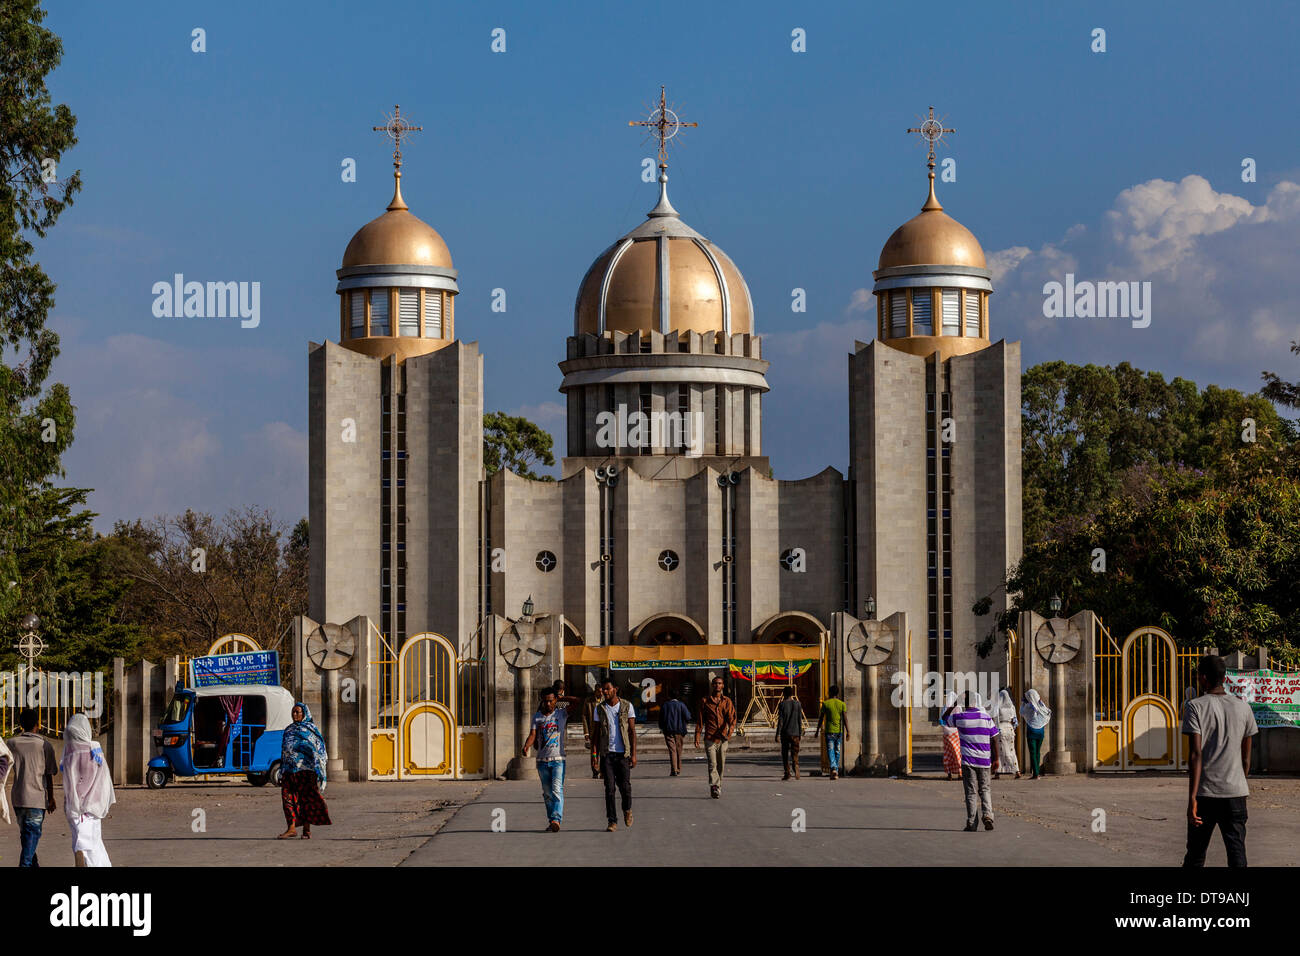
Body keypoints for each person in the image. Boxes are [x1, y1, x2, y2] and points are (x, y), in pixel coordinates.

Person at [1183, 653, 1257, 867]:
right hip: (1236, 794)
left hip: (1206, 794)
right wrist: (1239, 782)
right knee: (1237, 855)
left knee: (1195, 855)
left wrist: (1192, 799)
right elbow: (1246, 759)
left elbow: (1196, 755)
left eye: (1199, 676)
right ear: (1223, 677)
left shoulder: (1195, 707)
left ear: (1204, 678)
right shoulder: (1243, 707)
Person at [60, 714, 115, 866]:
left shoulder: (68, 753)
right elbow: (103, 779)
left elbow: (69, 782)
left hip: (75, 809)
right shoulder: (94, 749)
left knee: (85, 847)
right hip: (93, 807)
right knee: (93, 844)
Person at [7, 707, 57, 866]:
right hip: (36, 799)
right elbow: (49, 774)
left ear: (21, 725)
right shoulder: (45, 745)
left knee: (27, 837)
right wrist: (51, 798)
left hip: (18, 798)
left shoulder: (12, 743)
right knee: (31, 839)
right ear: (38, 724)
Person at [943, 690, 999, 831]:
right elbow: (994, 739)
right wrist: (996, 758)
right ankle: (988, 815)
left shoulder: (960, 718)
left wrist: (955, 703)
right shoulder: (986, 717)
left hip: (968, 761)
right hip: (984, 760)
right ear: (976, 702)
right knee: (985, 789)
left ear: (965, 703)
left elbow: (944, 718)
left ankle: (971, 823)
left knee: (971, 792)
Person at [277, 702, 332, 839]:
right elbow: (284, 751)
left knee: (305, 800)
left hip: (306, 771)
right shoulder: (288, 730)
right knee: (287, 799)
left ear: (304, 713)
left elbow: (318, 751)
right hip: (289, 771)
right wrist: (282, 768)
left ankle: (306, 830)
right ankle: (291, 828)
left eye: (297, 712)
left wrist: (320, 770)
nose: (295, 714)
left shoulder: (310, 730)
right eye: (293, 712)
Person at [590, 678, 636, 831]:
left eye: (607, 689)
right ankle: (612, 820)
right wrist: (594, 756)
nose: (604, 692)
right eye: (603, 689)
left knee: (625, 787)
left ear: (615, 689)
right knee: (609, 788)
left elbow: (631, 732)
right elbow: (595, 734)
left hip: (623, 755)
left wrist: (634, 754)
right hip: (607, 755)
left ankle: (627, 809)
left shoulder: (627, 706)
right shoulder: (600, 709)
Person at [522, 689, 568, 831]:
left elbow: (577, 701)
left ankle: (556, 819)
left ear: (555, 701)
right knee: (547, 793)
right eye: (546, 700)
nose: (548, 703)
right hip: (542, 761)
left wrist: (562, 697)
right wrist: (526, 746)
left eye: (551, 700)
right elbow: (532, 734)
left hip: (558, 760)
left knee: (556, 789)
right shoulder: (537, 717)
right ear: (542, 701)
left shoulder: (561, 714)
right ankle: (552, 820)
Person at [695, 676, 737, 798]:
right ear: (712, 685)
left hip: (723, 738)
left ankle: (718, 786)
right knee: (712, 763)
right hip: (710, 738)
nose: (717, 685)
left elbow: (732, 719)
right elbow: (700, 720)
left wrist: (729, 733)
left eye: (720, 683)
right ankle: (714, 786)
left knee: (721, 764)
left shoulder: (727, 701)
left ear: (723, 686)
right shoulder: (705, 701)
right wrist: (697, 736)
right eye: (715, 683)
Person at [814, 685, 848, 780]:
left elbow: (821, 718)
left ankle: (833, 768)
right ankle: (835, 770)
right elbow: (845, 719)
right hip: (839, 732)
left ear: (829, 693)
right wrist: (848, 731)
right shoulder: (842, 704)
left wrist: (817, 730)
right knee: (837, 751)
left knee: (830, 750)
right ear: (837, 693)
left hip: (829, 731)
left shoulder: (826, 704)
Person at [774, 686, 805, 780]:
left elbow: (781, 721)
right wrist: (800, 733)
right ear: (792, 694)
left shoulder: (782, 704)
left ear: (784, 694)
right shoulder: (798, 704)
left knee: (785, 753)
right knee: (795, 753)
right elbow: (800, 720)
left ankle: (787, 772)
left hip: (785, 733)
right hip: (795, 733)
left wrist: (777, 734)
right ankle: (795, 765)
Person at [658, 688, 690, 776]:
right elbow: (688, 717)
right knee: (679, 750)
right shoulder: (681, 705)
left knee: (672, 750)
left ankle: (674, 770)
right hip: (680, 730)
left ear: (669, 696)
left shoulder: (665, 705)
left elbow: (661, 718)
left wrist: (662, 727)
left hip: (668, 730)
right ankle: (678, 769)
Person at [990, 689, 1021, 780]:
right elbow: (1015, 720)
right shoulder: (1012, 707)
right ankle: (1017, 770)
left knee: (1000, 751)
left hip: (1001, 729)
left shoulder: (997, 707)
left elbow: (995, 719)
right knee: (1011, 750)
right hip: (1010, 729)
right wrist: (1013, 728)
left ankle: (997, 772)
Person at [1019, 689, 1051, 780]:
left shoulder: (1028, 706)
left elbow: (1021, 712)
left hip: (1031, 731)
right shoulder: (1041, 705)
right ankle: (1037, 773)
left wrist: (1023, 703)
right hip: (1041, 731)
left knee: (1032, 753)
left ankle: (1035, 774)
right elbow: (1046, 712)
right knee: (1037, 752)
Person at [581, 685, 603, 778]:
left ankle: (603, 771)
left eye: (602, 691)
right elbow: (584, 716)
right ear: (595, 691)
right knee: (594, 752)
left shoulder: (605, 700)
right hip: (593, 730)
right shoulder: (588, 701)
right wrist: (586, 732)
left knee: (604, 752)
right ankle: (595, 770)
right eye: (599, 691)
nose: (601, 693)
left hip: (604, 731)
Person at [940, 691, 962, 780]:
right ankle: (960, 774)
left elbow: (941, 720)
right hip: (956, 733)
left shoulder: (945, 707)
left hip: (946, 734)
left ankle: (949, 774)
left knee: (948, 754)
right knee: (957, 753)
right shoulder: (958, 707)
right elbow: (960, 719)